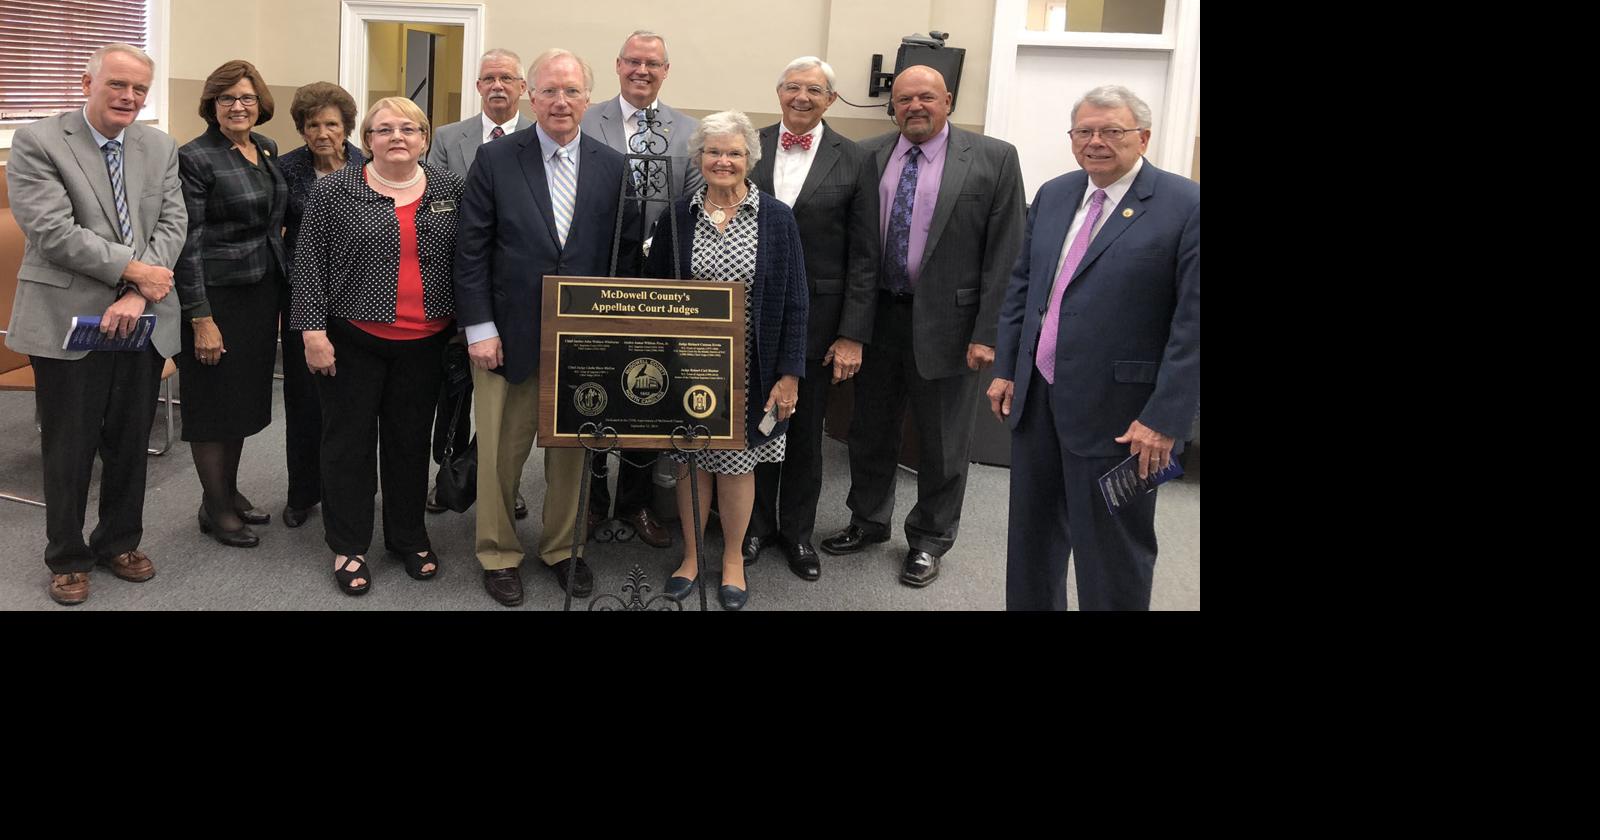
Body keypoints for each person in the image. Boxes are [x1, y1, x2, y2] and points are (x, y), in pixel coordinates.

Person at [988, 85, 1199, 611]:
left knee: (1112, 551)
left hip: (1125, 418)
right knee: (1032, 543)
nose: (1096, 142)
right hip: (1038, 401)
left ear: (1143, 137)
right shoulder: (1056, 193)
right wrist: (1009, 368)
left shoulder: (1185, 205)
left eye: (1112, 131)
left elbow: (1193, 324)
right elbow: (1024, 287)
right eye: (1084, 131)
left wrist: (1166, 419)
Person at [819, 65, 1024, 589]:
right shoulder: (869, 154)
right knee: (869, 429)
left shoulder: (994, 158)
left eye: (926, 97)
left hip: (951, 326)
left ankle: (930, 540)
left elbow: (1005, 255)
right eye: (905, 98)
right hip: (878, 316)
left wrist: (988, 332)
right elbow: (855, 246)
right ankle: (867, 522)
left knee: (942, 441)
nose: (915, 106)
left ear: (948, 100)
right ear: (894, 105)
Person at [454, 48, 643, 607]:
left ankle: (563, 548)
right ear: (530, 97)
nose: (561, 102)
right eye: (550, 92)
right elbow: (471, 251)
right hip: (505, 335)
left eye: (572, 92)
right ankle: (498, 552)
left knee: (574, 450)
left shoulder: (614, 165)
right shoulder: (495, 160)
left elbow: (625, 253)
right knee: (500, 454)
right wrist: (479, 328)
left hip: (582, 341)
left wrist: (619, 329)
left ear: (588, 99)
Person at [4, 43, 187, 605]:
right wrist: (136, 271)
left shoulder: (159, 145)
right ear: (88, 83)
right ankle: (67, 557)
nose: (129, 97)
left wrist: (136, 294)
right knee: (69, 444)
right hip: (68, 317)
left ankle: (118, 543)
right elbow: (51, 231)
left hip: (141, 318)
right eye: (117, 85)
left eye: (139, 89)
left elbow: (174, 221)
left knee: (130, 439)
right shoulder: (37, 141)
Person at [290, 96, 465, 595]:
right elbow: (308, 265)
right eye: (383, 128)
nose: (396, 137)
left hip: (426, 342)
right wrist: (312, 332)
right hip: (352, 339)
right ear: (366, 140)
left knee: (409, 443)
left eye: (408, 129)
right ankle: (348, 545)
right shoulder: (336, 190)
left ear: (424, 139)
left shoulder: (450, 188)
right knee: (349, 445)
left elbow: (467, 257)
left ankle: (408, 537)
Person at [647, 110, 807, 611]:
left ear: (749, 160)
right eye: (714, 151)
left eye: (734, 153)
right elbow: (651, 292)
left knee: (738, 465)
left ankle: (733, 558)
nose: (723, 160)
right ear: (699, 158)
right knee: (691, 461)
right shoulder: (678, 215)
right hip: (687, 366)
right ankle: (692, 556)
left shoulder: (776, 217)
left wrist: (789, 375)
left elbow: (796, 301)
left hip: (751, 369)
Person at [746, 56, 872, 581]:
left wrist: (851, 334)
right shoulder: (748, 145)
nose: (801, 97)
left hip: (818, 321)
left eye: (814, 90)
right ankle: (753, 526)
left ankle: (797, 532)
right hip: (749, 315)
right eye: (793, 87)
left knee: (803, 430)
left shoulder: (857, 159)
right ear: (778, 93)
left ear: (831, 100)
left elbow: (867, 253)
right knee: (753, 423)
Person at [577, 30, 701, 546]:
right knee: (591, 384)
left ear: (666, 70)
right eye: (633, 61)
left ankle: (636, 503)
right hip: (597, 276)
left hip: (659, 282)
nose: (642, 70)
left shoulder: (689, 131)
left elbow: (694, 203)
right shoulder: (585, 120)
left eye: (652, 63)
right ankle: (589, 502)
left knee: (646, 390)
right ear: (618, 65)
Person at [175, 59, 288, 549]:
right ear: (211, 106)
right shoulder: (194, 157)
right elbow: (187, 243)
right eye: (226, 99)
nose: (238, 106)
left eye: (245, 97)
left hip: (260, 294)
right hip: (215, 299)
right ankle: (216, 508)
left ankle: (226, 491)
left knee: (240, 402)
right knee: (211, 404)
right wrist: (201, 317)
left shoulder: (265, 147)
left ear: (259, 102)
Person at [423, 48, 532, 521]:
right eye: (488, 78)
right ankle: (447, 474)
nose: (498, 86)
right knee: (454, 390)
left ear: (523, 88)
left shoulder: (542, 134)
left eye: (507, 77)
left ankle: (502, 480)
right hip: (458, 281)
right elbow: (438, 202)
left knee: (508, 397)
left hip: (518, 287)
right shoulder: (449, 138)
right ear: (478, 86)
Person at [276, 81, 364, 529]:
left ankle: (344, 490)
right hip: (303, 303)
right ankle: (302, 492)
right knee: (304, 403)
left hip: (358, 304)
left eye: (331, 123)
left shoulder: (369, 166)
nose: (322, 132)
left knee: (349, 406)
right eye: (313, 125)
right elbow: (275, 235)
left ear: (346, 126)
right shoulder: (286, 168)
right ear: (302, 129)